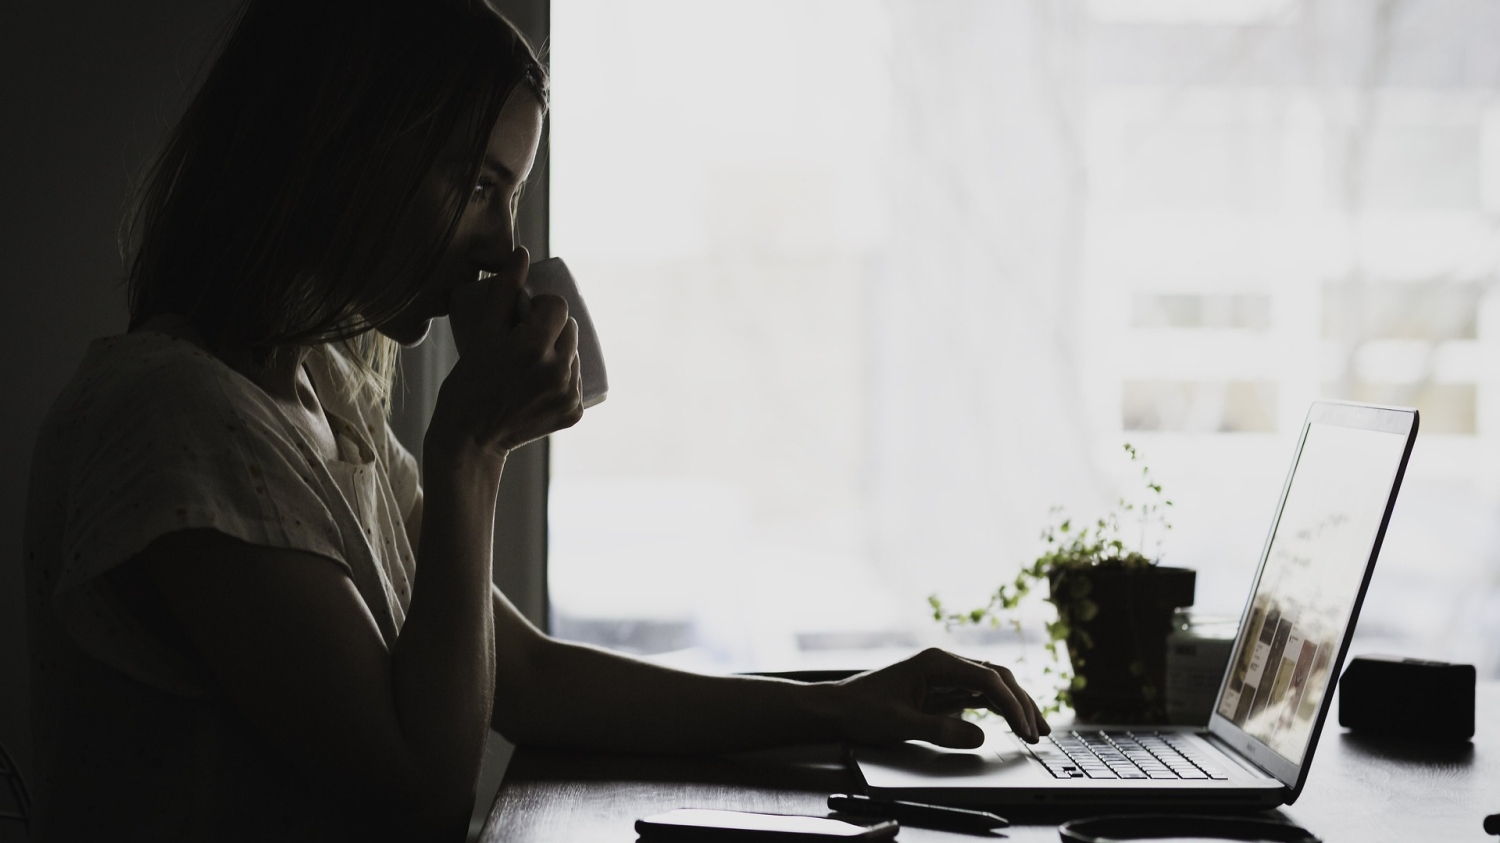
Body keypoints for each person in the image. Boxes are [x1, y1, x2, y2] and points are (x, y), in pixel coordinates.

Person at [22, 0, 1049, 839]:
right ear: (348, 151)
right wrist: (471, 448)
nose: (501, 254)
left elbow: (525, 676)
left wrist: (840, 704)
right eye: (479, 187)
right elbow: (416, 786)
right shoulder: (176, 419)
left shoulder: (319, 398)